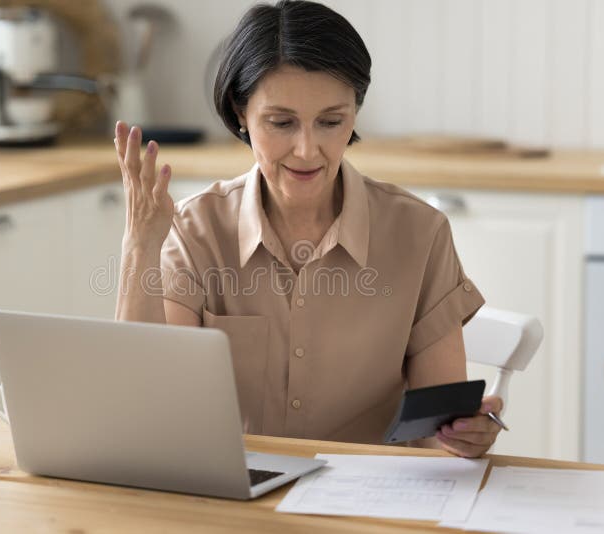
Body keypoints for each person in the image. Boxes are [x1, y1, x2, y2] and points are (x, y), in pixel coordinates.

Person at [113, 0, 502, 458]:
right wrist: (140, 244)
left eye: (331, 122)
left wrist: (464, 437)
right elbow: (145, 408)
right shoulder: (196, 231)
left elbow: (437, 434)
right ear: (241, 113)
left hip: (367, 505)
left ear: (354, 113)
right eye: (281, 123)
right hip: (235, 501)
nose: (306, 150)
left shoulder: (420, 233)